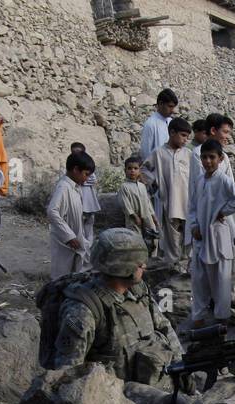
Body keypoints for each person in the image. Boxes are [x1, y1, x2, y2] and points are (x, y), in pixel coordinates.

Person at [46, 228, 183, 386]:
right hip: (118, 398)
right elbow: (69, 375)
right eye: (139, 264)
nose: (144, 266)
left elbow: (164, 326)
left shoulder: (138, 289)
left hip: (159, 379)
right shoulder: (82, 311)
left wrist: (181, 365)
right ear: (124, 269)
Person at [187, 140, 235, 328]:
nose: (208, 161)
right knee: (198, 278)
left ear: (220, 159)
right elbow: (192, 206)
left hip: (218, 235)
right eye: (205, 157)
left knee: (221, 279)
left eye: (212, 157)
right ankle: (198, 315)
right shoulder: (199, 180)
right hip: (201, 236)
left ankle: (221, 317)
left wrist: (223, 211)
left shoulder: (223, 179)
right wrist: (194, 225)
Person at [142, 117, 192, 272]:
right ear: (172, 132)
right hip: (170, 202)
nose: (185, 140)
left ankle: (187, 268)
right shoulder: (158, 153)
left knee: (189, 237)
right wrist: (154, 183)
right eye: (183, 135)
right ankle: (173, 270)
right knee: (172, 238)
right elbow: (144, 170)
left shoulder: (189, 154)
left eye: (187, 137)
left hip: (188, 203)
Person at [47, 151, 93, 279]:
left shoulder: (75, 187)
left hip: (75, 239)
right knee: (61, 275)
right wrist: (69, 236)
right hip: (65, 241)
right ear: (76, 170)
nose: (87, 178)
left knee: (74, 273)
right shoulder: (64, 187)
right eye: (86, 174)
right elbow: (52, 212)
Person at [119, 154, 158, 251]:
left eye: (135, 168)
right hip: (133, 218)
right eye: (129, 168)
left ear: (139, 171)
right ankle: (139, 260)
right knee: (136, 239)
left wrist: (153, 216)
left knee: (153, 236)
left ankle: (152, 257)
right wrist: (134, 216)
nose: (132, 171)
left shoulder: (142, 186)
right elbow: (125, 204)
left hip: (147, 215)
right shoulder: (124, 187)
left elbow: (148, 202)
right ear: (125, 171)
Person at [70, 142, 102, 255]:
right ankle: (82, 249)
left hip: (88, 200)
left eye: (79, 153)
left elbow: (92, 179)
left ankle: (89, 248)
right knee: (79, 226)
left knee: (89, 225)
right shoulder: (72, 169)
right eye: (74, 153)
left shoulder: (88, 167)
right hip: (78, 201)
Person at [139, 88, 178, 162]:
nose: (172, 110)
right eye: (170, 106)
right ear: (160, 103)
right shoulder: (151, 124)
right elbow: (145, 153)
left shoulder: (170, 121)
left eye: (173, 107)